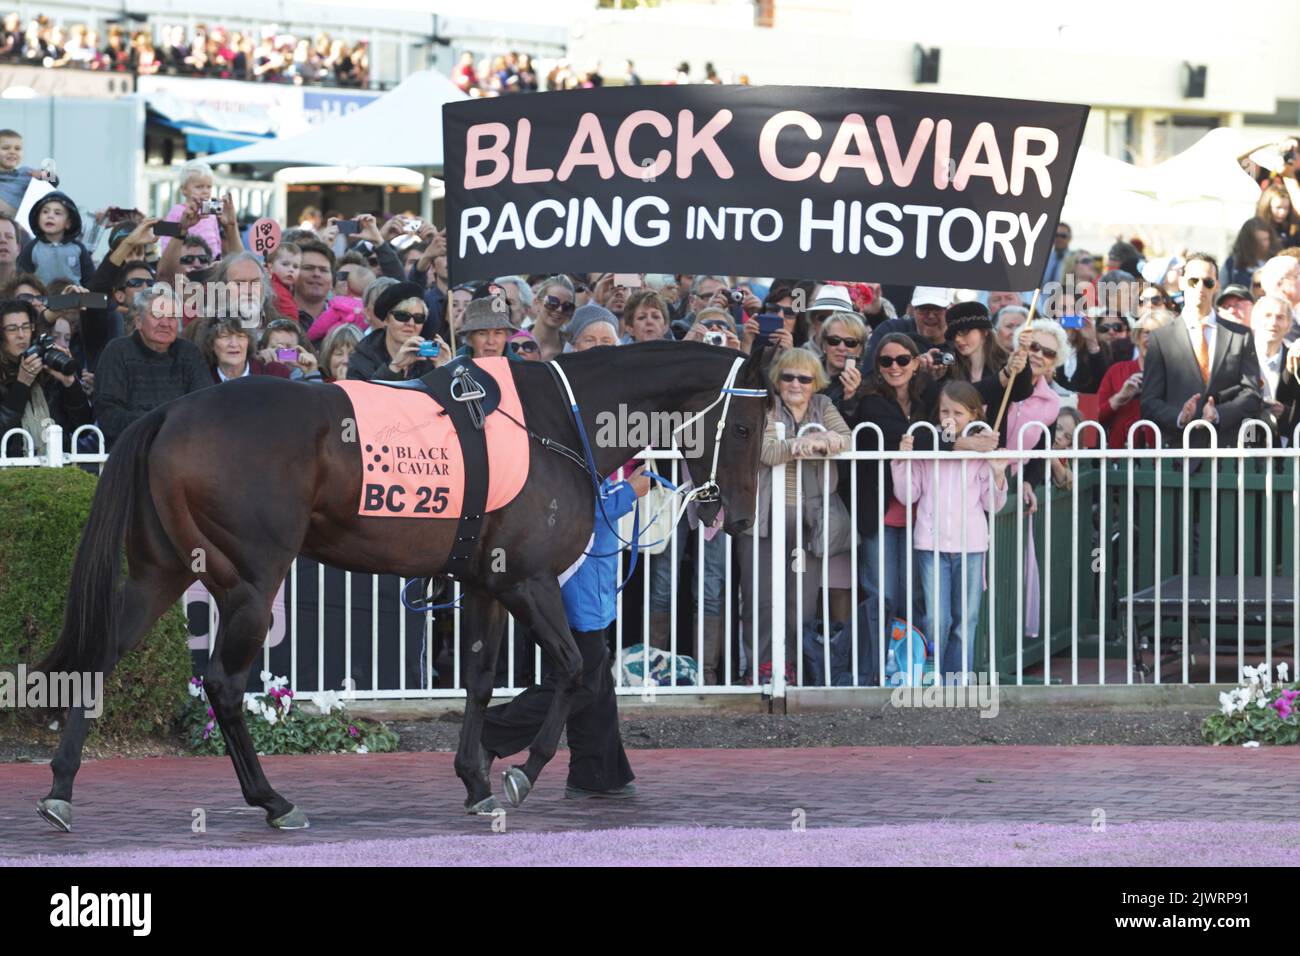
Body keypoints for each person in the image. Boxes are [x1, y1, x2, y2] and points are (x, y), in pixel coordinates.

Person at [479, 467, 649, 799]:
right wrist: (629, 493)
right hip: (577, 586)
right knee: (579, 683)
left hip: (589, 585)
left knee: (596, 684)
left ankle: (598, 773)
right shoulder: (576, 452)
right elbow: (583, 512)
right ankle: (488, 732)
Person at [738, 347, 852, 684]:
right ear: (777, 379)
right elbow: (767, 451)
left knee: (801, 599)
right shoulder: (765, 406)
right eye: (788, 376)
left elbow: (845, 439)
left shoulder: (824, 406)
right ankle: (759, 668)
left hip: (810, 518)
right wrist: (800, 445)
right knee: (760, 597)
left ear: (815, 382)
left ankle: (794, 666)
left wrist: (821, 439)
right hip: (764, 514)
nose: (796, 384)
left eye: (804, 378)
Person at [893, 381, 1008, 682]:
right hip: (930, 543)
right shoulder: (927, 441)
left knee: (966, 619)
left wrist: (998, 475)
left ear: (973, 414)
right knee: (936, 618)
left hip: (971, 545)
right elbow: (908, 495)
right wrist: (901, 460)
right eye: (945, 411)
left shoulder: (982, 449)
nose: (950, 418)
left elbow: (992, 504)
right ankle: (935, 675)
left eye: (958, 412)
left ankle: (958, 677)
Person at [1139, 253, 1262, 450]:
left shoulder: (1240, 335)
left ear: (1217, 285)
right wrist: (1180, 416)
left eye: (1208, 282)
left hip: (1228, 450)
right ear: (1181, 283)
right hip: (1180, 450)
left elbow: (1252, 393)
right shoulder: (1160, 338)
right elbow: (1149, 401)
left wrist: (1220, 413)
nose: (1200, 288)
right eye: (1193, 281)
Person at [92, 286, 210, 449]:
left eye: (172, 317)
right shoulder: (118, 351)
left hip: (182, 449)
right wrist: (159, 425)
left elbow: (205, 406)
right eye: (157, 315)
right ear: (138, 321)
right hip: (131, 450)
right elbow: (108, 413)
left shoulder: (189, 353)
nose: (165, 323)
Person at [0, 298, 91, 457]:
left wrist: (70, 383)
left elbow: (84, 428)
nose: (21, 335)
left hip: (58, 469)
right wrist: (22, 384)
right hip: (12, 473)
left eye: (26, 327)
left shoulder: (48, 369)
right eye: (12, 329)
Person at [1097, 309, 1173, 448]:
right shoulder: (1117, 371)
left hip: (1164, 456)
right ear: (1137, 337)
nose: (1152, 339)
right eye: (1147, 333)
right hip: (1121, 456)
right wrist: (1120, 397)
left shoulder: (1177, 373)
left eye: (1159, 334)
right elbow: (1095, 417)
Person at [346, 281, 448, 381]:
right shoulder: (363, 357)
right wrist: (394, 368)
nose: (411, 323)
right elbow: (362, 396)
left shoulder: (430, 356)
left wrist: (445, 370)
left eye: (418, 318)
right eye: (402, 316)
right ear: (386, 320)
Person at [16, 191, 94, 287]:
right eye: (45, 211)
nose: (50, 216)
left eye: (57, 213)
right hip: (42, 299)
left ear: (68, 223)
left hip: (73, 299)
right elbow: (21, 279)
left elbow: (90, 280)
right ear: (37, 218)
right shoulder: (32, 248)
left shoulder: (78, 249)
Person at [863, 286, 951, 370]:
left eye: (937, 309)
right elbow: (869, 372)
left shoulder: (959, 340)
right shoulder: (891, 330)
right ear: (913, 310)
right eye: (923, 309)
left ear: (949, 310)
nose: (931, 316)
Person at [158, 159, 222, 261]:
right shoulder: (176, 211)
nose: (205, 191)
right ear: (184, 189)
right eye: (199, 187)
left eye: (209, 187)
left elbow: (217, 238)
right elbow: (165, 243)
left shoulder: (212, 209)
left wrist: (219, 259)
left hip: (210, 266)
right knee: (179, 278)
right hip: (184, 267)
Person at [1252, 295, 1294, 438]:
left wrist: (1286, 412)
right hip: (1246, 441)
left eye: (1280, 317)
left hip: (1286, 446)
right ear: (1254, 321)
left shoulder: (1296, 360)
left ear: (1289, 325)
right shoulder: (1240, 357)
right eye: (1267, 316)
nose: (1273, 322)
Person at [203, 317, 292, 383]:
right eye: (225, 336)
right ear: (211, 344)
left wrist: (306, 372)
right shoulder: (201, 381)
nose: (234, 344)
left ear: (249, 342)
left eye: (240, 336)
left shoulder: (275, 374)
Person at [0, 128, 55, 218]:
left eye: (17, 149)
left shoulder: (26, 173)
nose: (12, 152)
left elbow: (53, 178)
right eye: (6, 148)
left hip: (19, 228)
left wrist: (41, 175)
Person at [256, 318, 322, 381]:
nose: (283, 353)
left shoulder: (305, 376)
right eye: (277, 348)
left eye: (289, 348)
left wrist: (312, 374)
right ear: (263, 349)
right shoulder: (253, 372)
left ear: (299, 352)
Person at [1223, 217, 1276, 289]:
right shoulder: (1233, 264)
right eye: (1258, 241)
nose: (1263, 244)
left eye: (1265, 239)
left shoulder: (1275, 261)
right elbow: (1222, 289)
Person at [267, 242, 301, 322]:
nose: (291, 270)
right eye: (285, 264)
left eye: (295, 266)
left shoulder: (286, 289)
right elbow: (292, 318)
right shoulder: (276, 289)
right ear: (271, 267)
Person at [1040, 221, 1072, 288]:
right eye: (1056, 235)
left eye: (1063, 236)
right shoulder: (1043, 259)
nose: (1059, 238)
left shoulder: (1074, 260)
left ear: (1069, 238)